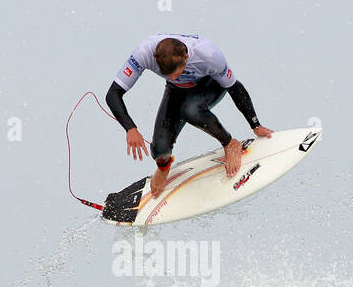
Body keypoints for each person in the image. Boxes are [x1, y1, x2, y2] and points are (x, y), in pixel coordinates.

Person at [105, 33, 273, 198]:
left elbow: (235, 88)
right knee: (159, 150)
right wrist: (131, 129)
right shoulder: (145, 53)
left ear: (186, 57)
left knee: (191, 110)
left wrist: (255, 125)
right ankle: (164, 169)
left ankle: (230, 144)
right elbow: (113, 94)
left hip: (209, 85)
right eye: (166, 74)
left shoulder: (209, 55)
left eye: (175, 72)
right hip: (177, 90)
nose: (170, 77)